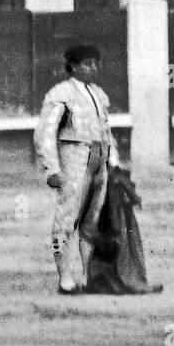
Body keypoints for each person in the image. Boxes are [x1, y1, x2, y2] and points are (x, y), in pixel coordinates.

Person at [34, 44, 122, 295]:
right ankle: (65, 278)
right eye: (88, 63)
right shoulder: (60, 93)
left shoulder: (97, 93)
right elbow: (45, 133)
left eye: (95, 63)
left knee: (90, 221)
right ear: (73, 66)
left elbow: (107, 131)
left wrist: (113, 162)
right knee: (66, 218)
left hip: (98, 160)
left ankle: (86, 276)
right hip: (74, 160)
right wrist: (51, 167)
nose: (93, 68)